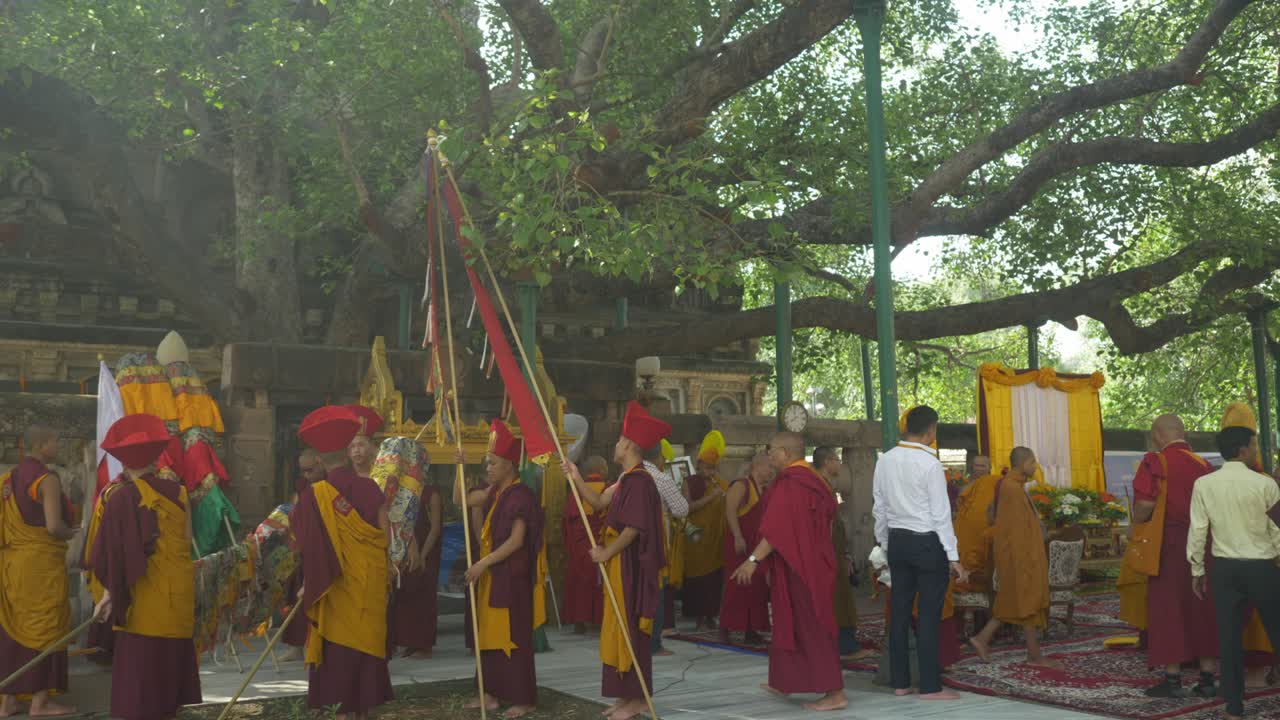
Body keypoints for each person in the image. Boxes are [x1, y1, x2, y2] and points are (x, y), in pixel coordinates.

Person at [90, 414, 202, 720]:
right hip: (177, 594)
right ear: (156, 456)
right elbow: (187, 539)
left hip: (143, 601)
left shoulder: (119, 497)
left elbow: (111, 555)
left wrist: (108, 596)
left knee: (141, 685)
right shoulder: (178, 492)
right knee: (169, 680)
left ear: (123, 462)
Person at [563, 400, 668, 720]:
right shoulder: (624, 480)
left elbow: (634, 528)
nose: (615, 445)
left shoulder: (640, 481)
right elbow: (596, 502)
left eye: (620, 441)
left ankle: (637, 701)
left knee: (631, 630)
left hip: (631, 567)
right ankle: (625, 697)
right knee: (617, 630)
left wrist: (607, 552)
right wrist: (575, 476)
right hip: (620, 566)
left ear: (631, 446)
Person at [732, 432, 847, 712]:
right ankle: (785, 679)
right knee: (789, 620)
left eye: (770, 450)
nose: (768, 455)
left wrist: (753, 560)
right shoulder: (812, 480)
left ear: (785, 453)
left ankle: (835, 693)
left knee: (811, 623)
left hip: (802, 564)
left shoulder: (794, 484)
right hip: (810, 560)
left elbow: (779, 529)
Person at [292, 406, 393, 720]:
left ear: (320, 460)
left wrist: (308, 583)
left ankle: (342, 712)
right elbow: (385, 537)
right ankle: (363, 709)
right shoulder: (370, 488)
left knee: (339, 650)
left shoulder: (314, 495)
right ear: (349, 454)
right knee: (365, 646)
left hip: (334, 586)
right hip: (368, 584)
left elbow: (307, 547)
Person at [873, 405, 967, 701]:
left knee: (900, 614)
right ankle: (929, 686)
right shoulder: (929, 464)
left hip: (898, 542)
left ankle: (900, 683)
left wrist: (886, 546)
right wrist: (953, 557)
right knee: (928, 616)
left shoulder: (885, 460)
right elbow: (941, 514)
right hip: (927, 544)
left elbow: (879, 508)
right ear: (931, 431)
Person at [1188, 426, 1280, 720]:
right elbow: (1277, 530)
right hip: (1262, 567)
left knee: (1228, 640)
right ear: (1243, 449)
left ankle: (1234, 709)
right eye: (1254, 445)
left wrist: (1197, 570)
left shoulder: (1204, 484)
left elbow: (1198, 530)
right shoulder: (1265, 484)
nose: (1255, 450)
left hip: (1224, 568)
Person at [456, 420, 543, 718]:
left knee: (512, 637)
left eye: (492, 463)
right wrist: (460, 469)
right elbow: (463, 501)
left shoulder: (520, 496)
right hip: (493, 577)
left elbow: (517, 541)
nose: (488, 468)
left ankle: (523, 699)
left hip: (510, 579)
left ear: (509, 465)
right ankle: (490, 694)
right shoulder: (496, 493)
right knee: (489, 636)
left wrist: (482, 562)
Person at [1131, 414, 1218, 698]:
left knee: (1169, 606)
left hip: (1168, 542)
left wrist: (1138, 521)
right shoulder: (1204, 465)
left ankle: (1172, 678)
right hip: (1204, 543)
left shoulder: (1156, 461)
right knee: (1202, 606)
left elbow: (1144, 505)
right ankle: (1207, 678)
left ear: (1157, 435)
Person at [0, 426, 78, 717]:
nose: (57, 445)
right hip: (41, 567)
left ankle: (7, 701)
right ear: (43, 444)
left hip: (13, 565)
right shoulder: (47, 479)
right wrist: (72, 533)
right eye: (55, 440)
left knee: (12, 629)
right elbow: (53, 527)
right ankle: (39, 702)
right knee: (48, 626)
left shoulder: (9, 478)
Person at [968, 448, 1060, 669]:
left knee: (1015, 601)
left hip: (1018, 554)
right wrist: (1028, 560)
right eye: (1032, 461)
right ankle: (1034, 656)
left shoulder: (1013, 485)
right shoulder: (1012, 488)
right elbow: (1017, 530)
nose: (1035, 466)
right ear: (1022, 463)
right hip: (1020, 555)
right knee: (1025, 601)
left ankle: (982, 638)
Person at [1220, 402, 1280, 688]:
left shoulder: (1210, 481)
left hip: (1228, 563)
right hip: (1264, 563)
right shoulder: (1264, 481)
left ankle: (1235, 697)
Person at [813, 445, 866, 661]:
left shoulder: (825, 485)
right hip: (828, 553)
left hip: (834, 549)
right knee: (839, 598)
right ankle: (845, 646)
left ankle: (842, 643)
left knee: (840, 597)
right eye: (836, 459)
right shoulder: (817, 486)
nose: (840, 465)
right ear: (827, 462)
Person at [719, 453, 774, 644]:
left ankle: (752, 630)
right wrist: (737, 536)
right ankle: (725, 627)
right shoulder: (741, 485)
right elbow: (729, 511)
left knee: (757, 586)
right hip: (740, 541)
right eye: (769, 467)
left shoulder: (766, 489)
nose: (771, 472)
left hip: (757, 544)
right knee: (736, 584)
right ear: (757, 466)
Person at [391, 454, 442, 660]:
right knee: (405, 596)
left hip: (427, 552)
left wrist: (422, 554)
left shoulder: (432, 494)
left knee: (424, 597)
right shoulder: (404, 493)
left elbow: (435, 528)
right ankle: (409, 642)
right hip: (405, 549)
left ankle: (424, 646)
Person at [641, 440, 688, 655]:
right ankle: (654, 644)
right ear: (659, 457)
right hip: (656, 544)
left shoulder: (626, 477)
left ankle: (638, 639)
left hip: (631, 545)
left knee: (638, 592)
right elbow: (681, 509)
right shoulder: (661, 478)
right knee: (657, 592)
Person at [282, 449, 326, 660]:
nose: (307, 475)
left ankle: (315, 645)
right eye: (303, 471)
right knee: (294, 594)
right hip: (302, 546)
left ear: (320, 464)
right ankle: (295, 645)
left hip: (320, 547)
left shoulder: (328, 486)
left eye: (310, 470)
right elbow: (294, 511)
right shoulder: (302, 487)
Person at [681, 432, 728, 632]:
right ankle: (699, 617)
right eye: (705, 467)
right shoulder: (689, 482)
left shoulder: (720, 483)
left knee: (714, 579)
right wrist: (711, 497)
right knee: (698, 580)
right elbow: (687, 508)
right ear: (698, 465)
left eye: (712, 468)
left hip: (715, 539)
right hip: (696, 539)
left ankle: (711, 616)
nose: (708, 471)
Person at [562, 456, 611, 633]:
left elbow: (568, 522)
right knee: (601, 581)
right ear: (602, 470)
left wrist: (571, 546)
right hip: (602, 543)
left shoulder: (576, 491)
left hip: (580, 545)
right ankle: (599, 620)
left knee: (579, 581)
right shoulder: (608, 489)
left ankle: (579, 621)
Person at [952, 455, 1000, 593]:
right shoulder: (965, 487)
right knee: (966, 563)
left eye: (983, 466)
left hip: (986, 531)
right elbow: (959, 509)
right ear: (971, 467)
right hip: (967, 533)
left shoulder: (995, 484)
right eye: (976, 465)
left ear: (990, 468)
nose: (979, 469)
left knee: (986, 564)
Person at [346, 405, 384, 478]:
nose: (356, 450)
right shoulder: (343, 476)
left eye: (361, 445)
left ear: (371, 446)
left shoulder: (380, 475)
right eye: (352, 446)